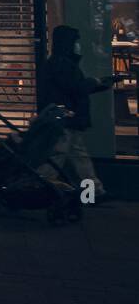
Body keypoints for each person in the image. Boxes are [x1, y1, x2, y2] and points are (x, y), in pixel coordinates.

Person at [40, 24, 119, 200]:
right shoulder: (62, 64)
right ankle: (38, 187)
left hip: (67, 118)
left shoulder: (60, 62)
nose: (78, 46)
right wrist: (96, 82)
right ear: (68, 43)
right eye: (76, 42)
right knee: (61, 158)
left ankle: (92, 193)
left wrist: (99, 83)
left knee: (77, 158)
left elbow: (75, 87)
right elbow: (75, 87)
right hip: (65, 119)